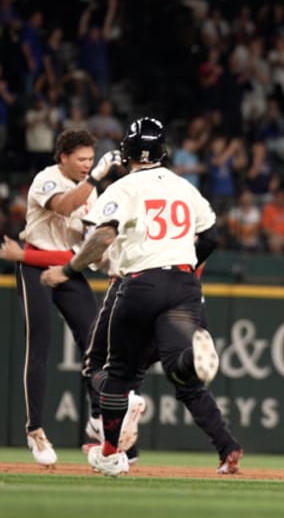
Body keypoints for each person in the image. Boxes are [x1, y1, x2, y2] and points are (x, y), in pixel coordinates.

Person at [43, 118, 241, 477]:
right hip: (183, 286)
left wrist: (69, 270)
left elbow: (103, 238)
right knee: (184, 377)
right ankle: (226, 445)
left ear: (127, 152)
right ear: (163, 151)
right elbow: (210, 235)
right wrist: (192, 270)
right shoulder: (183, 185)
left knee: (111, 375)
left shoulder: (124, 187)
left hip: (138, 285)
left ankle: (110, 452)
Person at [0, 130, 120, 465]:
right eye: (81, 159)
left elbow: (86, 247)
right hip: (37, 264)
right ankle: (35, 430)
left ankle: (96, 417)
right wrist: (94, 178)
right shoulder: (46, 180)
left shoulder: (91, 193)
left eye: (91, 160)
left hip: (63, 264)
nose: (86, 165)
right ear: (63, 157)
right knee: (40, 344)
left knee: (97, 342)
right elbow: (64, 206)